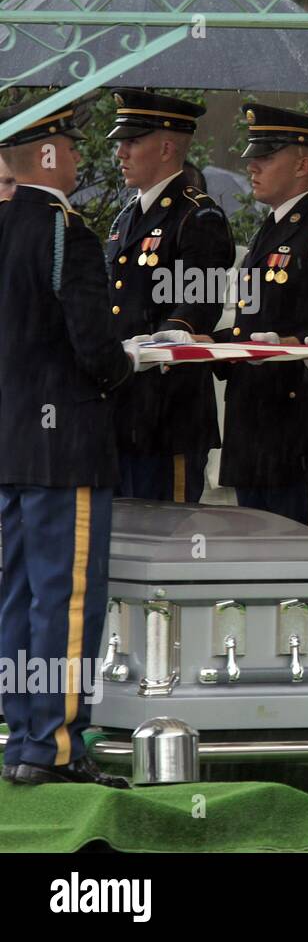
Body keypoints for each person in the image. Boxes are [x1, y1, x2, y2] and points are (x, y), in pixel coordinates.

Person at [0, 95, 144, 787]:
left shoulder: (5, 223)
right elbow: (93, 346)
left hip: (12, 442)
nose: (83, 157)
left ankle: (23, 734)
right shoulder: (66, 231)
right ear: (48, 154)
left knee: (19, 596)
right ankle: (56, 743)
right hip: (65, 446)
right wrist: (127, 365)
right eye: (73, 145)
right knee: (68, 599)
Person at [209, 104, 308, 535]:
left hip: (301, 432)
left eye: (265, 156)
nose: (252, 165)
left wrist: (294, 343)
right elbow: (254, 321)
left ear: (302, 165)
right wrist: (212, 342)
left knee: (305, 560)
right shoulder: (270, 230)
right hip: (254, 430)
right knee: (255, 563)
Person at [104, 89, 234, 503]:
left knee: (168, 531)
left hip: (168, 414)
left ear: (165, 148)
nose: (120, 153)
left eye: (132, 141)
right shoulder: (127, 216)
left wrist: (170, 332)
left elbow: (200, 303)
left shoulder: (198, 215)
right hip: (123, 409)